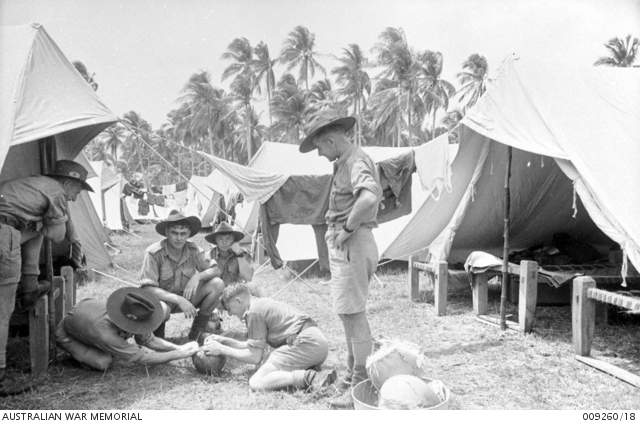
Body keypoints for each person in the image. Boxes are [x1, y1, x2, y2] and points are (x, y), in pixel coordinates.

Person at [299, 109, 383, 409]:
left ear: (332, 140)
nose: (320, 154)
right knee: (348, 314)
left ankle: (361, 385)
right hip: (349, 246)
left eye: (320, 147)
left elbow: (369, 197)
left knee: (354, 315)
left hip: (353, 244)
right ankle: (351, 378)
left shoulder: (356, 161)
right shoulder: (345, 161)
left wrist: (346, 229)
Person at [0, 160, 92, 396]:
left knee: (38, 224)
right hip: (3, 233)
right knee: (3, 310)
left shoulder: (36, 185)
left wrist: (75, 238)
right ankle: (0, 379)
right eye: (77, 191)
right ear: (68, 183)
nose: (74, 198)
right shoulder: (57, 193)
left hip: (6, 229)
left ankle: (30, 285)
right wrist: (50, 225)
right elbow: (56, 234)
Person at [202, 283, 336, 391]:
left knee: (256, 381)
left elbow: (254, 357)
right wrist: (224, 341)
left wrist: (222, 350)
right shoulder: (258, 304)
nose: (230, 314)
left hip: (307, 343)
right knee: (264, 365)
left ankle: (312, 377)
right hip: (315, 344)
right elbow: (253, 345)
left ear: (238, 301)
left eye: (229, 309)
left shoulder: (254, 312)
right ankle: (311, 369)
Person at [56, 287, 200, 370]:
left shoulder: (130, 312)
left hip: (85, 315)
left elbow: (150, 340)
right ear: (129, 319)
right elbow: (143, 358)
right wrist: (179, 355)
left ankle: (102, 347)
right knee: (103, 362)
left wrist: (179, 348)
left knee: (111, 350)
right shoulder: (105, 333)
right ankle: (77, 352)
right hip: (67, 333)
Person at [139, 210, 224, 341]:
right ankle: (157, 339)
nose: (179, 238)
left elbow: (216, 270)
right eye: (174, 233)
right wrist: (178, 300)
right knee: (161, 308)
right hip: (162, 301)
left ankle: (197, 333)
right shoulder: (154, 253)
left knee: (217, 284)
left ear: (188, 234)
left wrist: (197, 277)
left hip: (187, 297)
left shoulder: (193, 249)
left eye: (183, 234)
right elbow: (147, 289)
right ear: (167, 233)